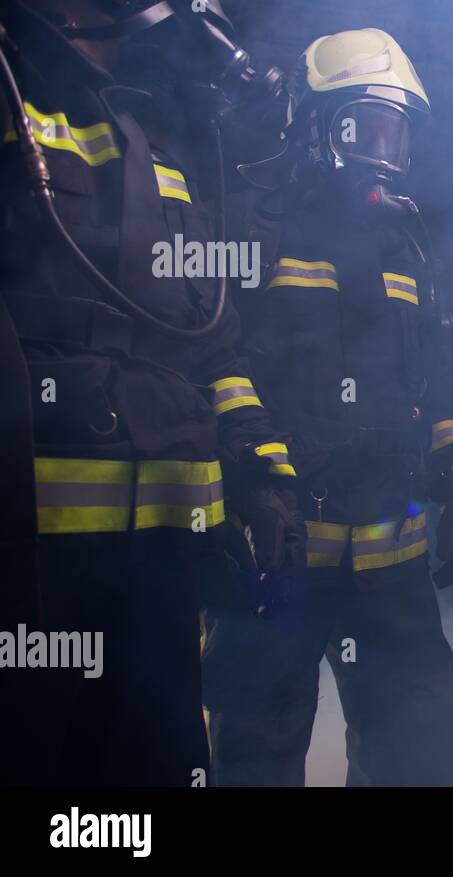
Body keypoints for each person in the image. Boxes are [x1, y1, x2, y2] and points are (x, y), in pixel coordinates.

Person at [0, 0, 300, 786]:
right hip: (32, 563)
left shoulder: (162, 139)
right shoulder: (13, 98)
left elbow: (211, 337)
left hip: (164, 556)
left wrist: (258, 465)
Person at [200, 29, 453, 787]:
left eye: (396, 133)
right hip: (277, 561)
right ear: (316, 128)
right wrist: (254, 474)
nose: (381, 153)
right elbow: (211, 355)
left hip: (391, 563)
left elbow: (436, 375)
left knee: (422, 748)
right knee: (256, 755)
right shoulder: (248, 222)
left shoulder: (407, 248)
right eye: (364, 128)